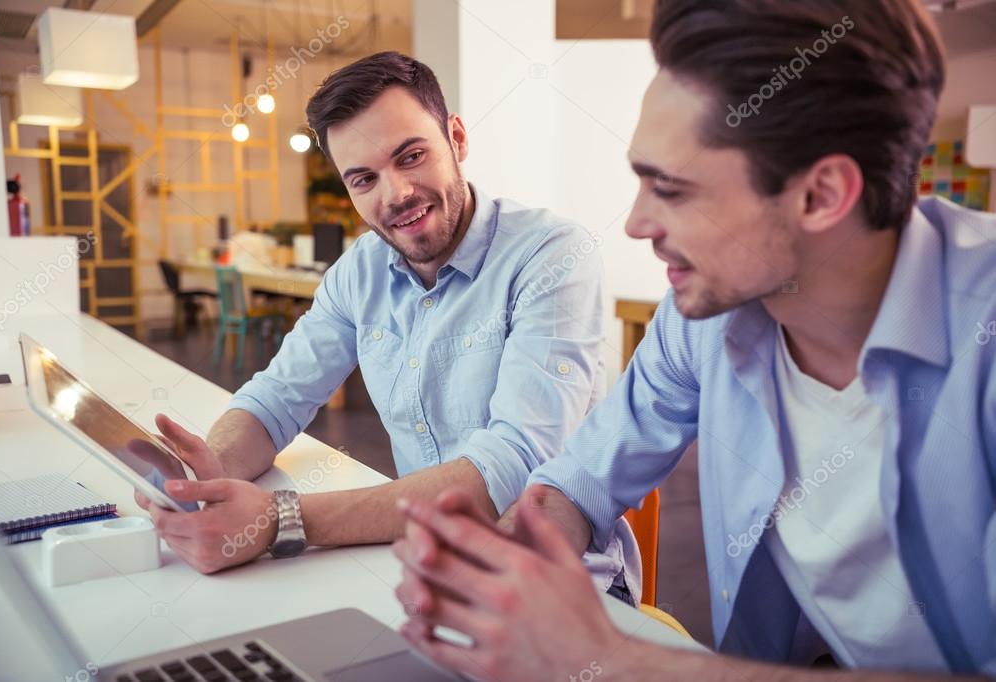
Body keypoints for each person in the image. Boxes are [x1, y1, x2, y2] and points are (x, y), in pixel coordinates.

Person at [392, 1, 996, 679]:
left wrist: (610, 657)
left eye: (671, 190)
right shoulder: (702, 319)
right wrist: (497, 572)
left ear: (821, 195)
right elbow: (581, 480)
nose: (635, 223)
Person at [133, 52, 620, 587]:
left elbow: (513, 466)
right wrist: (208, 474)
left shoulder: (553, 255)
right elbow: (276, 398)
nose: (396, 195)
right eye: (364, 179)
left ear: (456, 138)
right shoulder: (358, 273)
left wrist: (281, 519)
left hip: (560, 585)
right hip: (422, 563)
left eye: (411, 156)